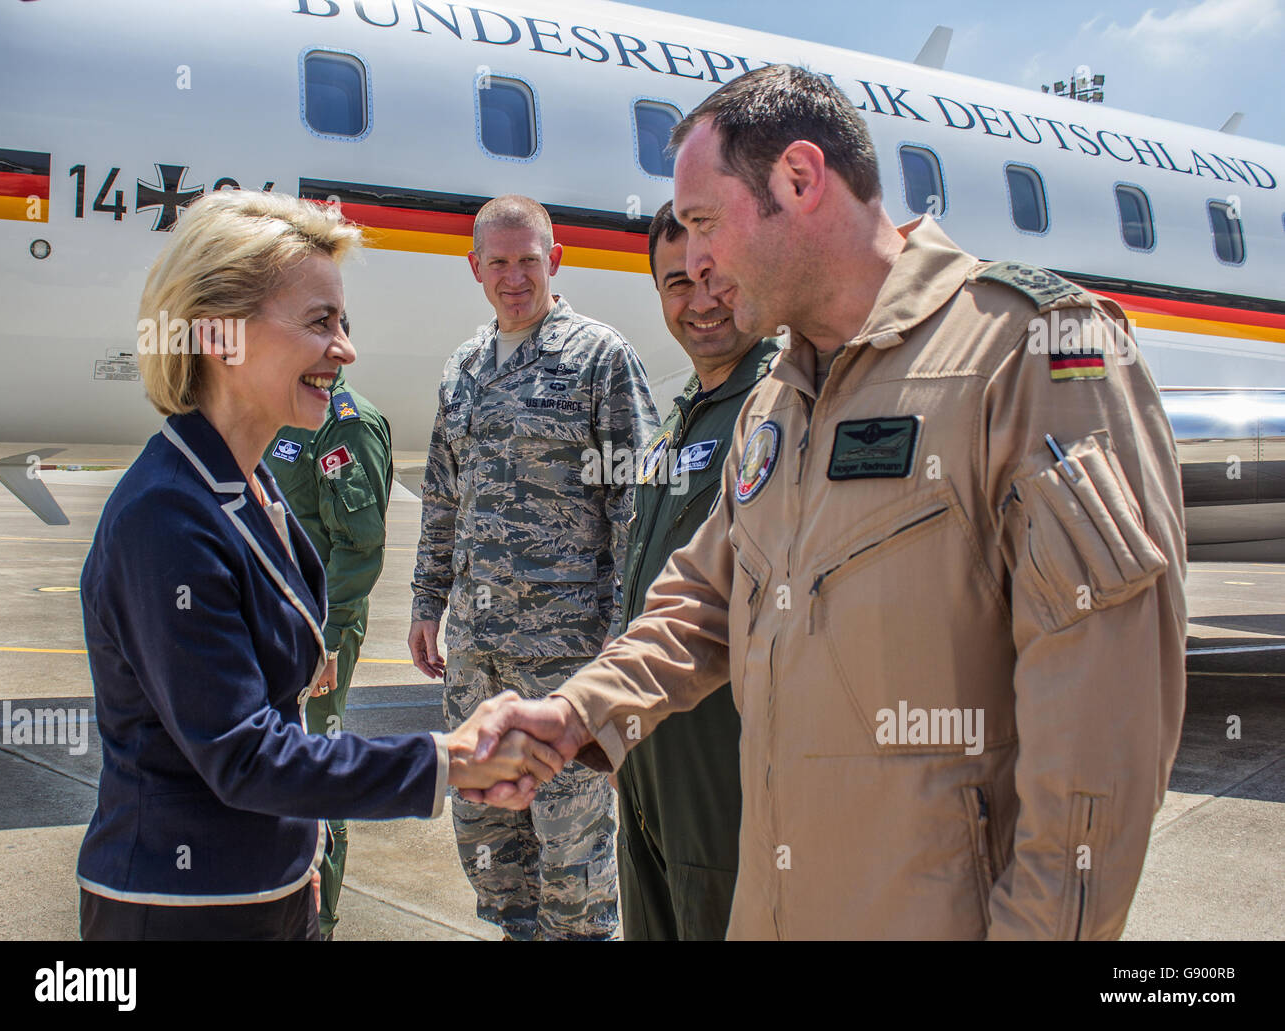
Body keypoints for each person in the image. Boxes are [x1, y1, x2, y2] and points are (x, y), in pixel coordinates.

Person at [462, 66, 1188, 940]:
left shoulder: (1031, 352)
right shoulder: (780, 400)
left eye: (703, 223)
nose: (693, 262)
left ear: (800, 181)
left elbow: (1099, 742)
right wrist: (576, 711)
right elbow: (702, 602)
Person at [77, 189, 562, 941]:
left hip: (266, 890)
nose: (345, 349)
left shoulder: (247, 483)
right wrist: (450, 758)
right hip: (185, 913)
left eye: (342, 321)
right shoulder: (166, 517)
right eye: (319, 322)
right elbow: (242, 756)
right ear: (221, 336)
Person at [409, 194, 660, 940]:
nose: (514, 276)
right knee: (492, 851)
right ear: (475, 267)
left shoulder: (599, 359)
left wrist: (624, 646)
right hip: (477, 666)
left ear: (554, 260)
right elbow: (443, 495)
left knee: (574, 863)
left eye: (529, 260)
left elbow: (635, 509)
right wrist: (427, 602)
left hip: (568, 668)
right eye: (499, 262)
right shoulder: (462, 368)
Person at [616, 201, 778, 940]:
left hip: (724, 762)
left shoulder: (783, 403)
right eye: (677, 283)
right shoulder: (680, 416)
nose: (701, 300)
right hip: (649, 759)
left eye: (715, 276)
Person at [261, 311, 393, 940]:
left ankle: (322, 924)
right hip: (276, 629)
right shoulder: (290, 409)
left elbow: (360, 545)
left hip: (319, 637)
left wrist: (329, 640)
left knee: (316, 777)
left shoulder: (346, 424)